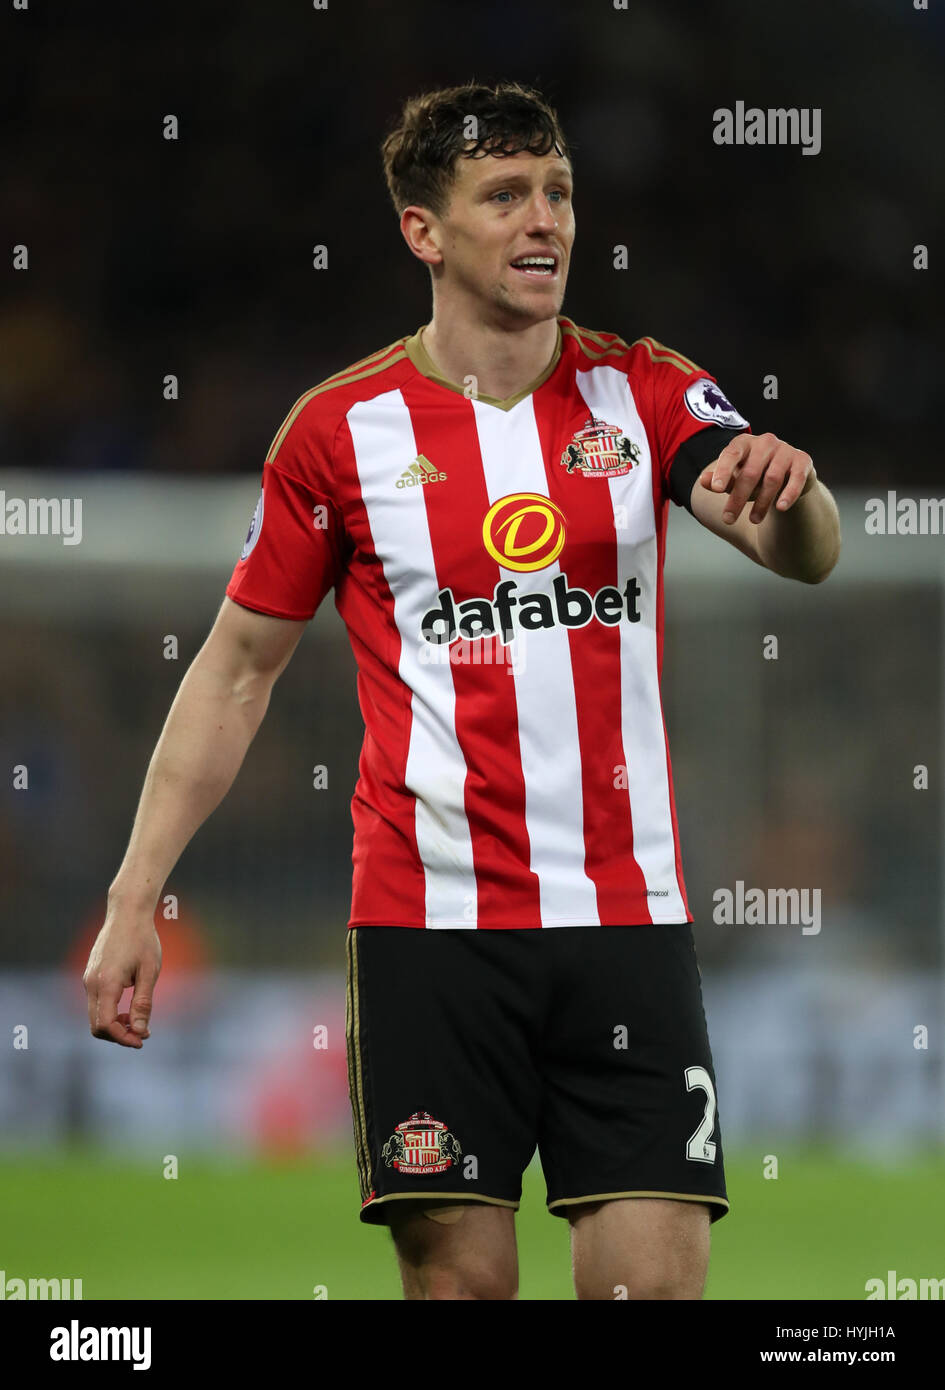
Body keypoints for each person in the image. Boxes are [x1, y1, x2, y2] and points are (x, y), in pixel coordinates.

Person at [84, 80, 841, 1300]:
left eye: (558, 192)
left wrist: (796, 493)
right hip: (427, 930)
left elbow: (802, 554)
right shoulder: (340, 433)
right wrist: (135, 899)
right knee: (462, 1292)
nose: (544, 220)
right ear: (422, 231)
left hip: (622, 920)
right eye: (504, 196)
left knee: (652, 1288)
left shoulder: (646, 393)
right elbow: (234, 673)